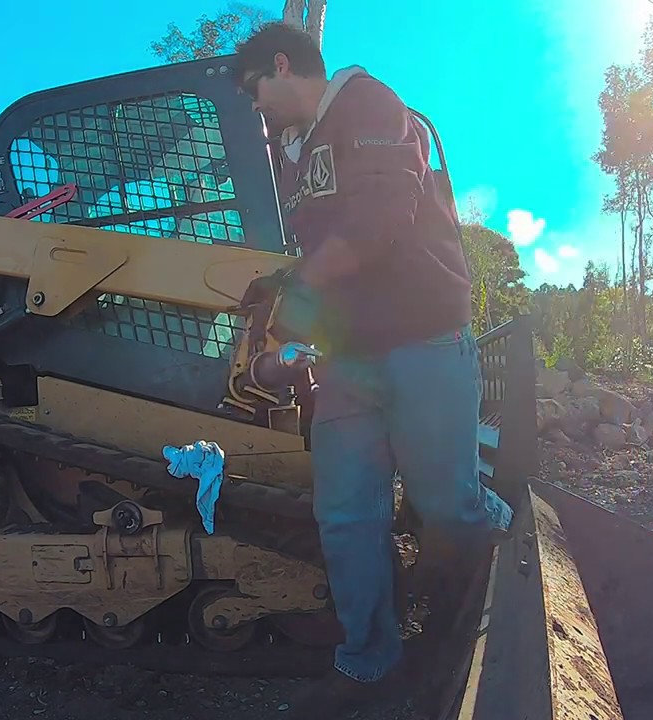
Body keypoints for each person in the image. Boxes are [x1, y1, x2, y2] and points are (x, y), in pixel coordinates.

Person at [232, 22, 515, 716]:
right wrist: (284, 285)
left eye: (255, 90)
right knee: (347, 514)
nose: (254, 106)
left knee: (446, 503)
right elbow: (326, 249)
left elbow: (378, 223)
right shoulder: (292, 158)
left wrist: (297, 305)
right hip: (351, 361)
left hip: (424, 342)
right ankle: (369, 665)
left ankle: (493, 575)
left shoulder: (370, 106)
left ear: (282, 64)